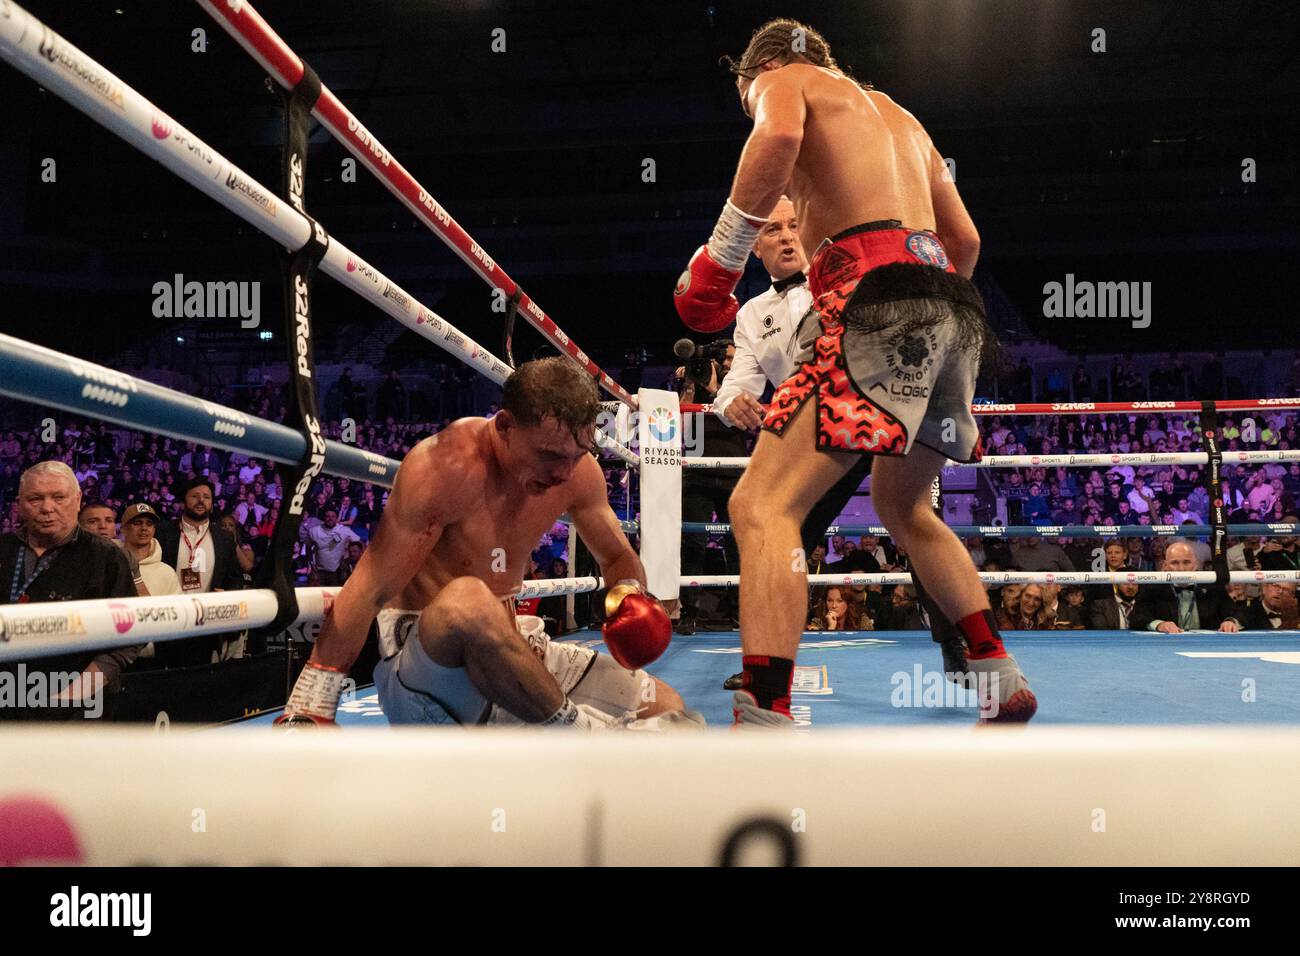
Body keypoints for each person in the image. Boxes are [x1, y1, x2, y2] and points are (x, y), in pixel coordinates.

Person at [675, 19, 1034, 724]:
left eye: (746, 95)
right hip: (952, 306)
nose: (753, 104)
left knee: (761, 505)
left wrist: (721, 257)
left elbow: (775, 139)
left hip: (874, 299)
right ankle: (997, 673)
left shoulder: (784, 80)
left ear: (757, 72)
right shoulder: (900, 117)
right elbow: (965, 238)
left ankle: (765, 707)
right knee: (905, 507)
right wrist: (928, 314)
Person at [278, 358, 698, 730]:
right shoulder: (445, 467)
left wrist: (627, 598)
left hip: (511, 651)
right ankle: (575, 734)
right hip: (428, 671)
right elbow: (370, 586)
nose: (564, 473)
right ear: (504, 426)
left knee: (669, 713)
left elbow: (617, 556)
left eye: (577, 454)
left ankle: (559, 744)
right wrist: (311, 704)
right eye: (550, 455)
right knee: (468, 599)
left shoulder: (577, 471)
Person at [0, 462, 139, 720]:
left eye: (58, 497)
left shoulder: (106, 556)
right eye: (35, 498)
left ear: (77, 501)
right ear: (19, 504)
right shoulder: (4, 549)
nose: (47, 508)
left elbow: (127, 638)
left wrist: (69, 698)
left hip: (78, 708)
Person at [155, 476, 246, 666]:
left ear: (212, 503)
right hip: (170, 620)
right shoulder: (163, 532)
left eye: (206, 497)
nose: (201, 501)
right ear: (183, 501)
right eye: (195, 496)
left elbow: (235, 578)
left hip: (208, 623)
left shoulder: (224, 537)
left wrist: (227, 595)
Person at [1130, 541, 1247, 633]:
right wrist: (1159, 625)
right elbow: (1137, 618)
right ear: (1165, 565)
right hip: (1166, 646)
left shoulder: (1212, 585)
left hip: (1206, 645)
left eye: (1186, 562)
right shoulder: (1153, 588)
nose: (1181, 569)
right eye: (1175, 563)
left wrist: (1230, 622)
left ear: (1195, 564)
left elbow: (1239, 614)